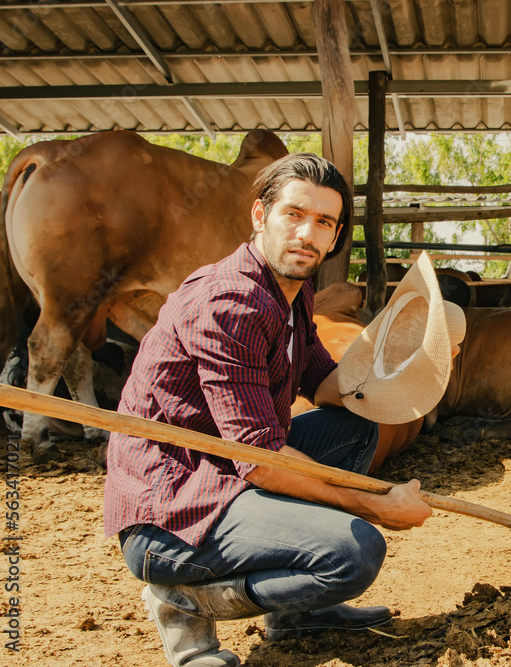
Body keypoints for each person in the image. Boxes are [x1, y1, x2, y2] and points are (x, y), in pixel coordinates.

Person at [103, 152, 433, 667]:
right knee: (353, 553)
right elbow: (259, 458)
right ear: (261, 215)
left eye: (323, 222)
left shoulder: (293, 292)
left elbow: (328, 385)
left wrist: (415, 360)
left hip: (231, 470)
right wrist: (375, 503)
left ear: (336, 233)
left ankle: (296, 613)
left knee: (357, 427)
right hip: (174, 510)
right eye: (293, 214)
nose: (306, 233)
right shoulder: (230, 303)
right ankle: (184, 602)